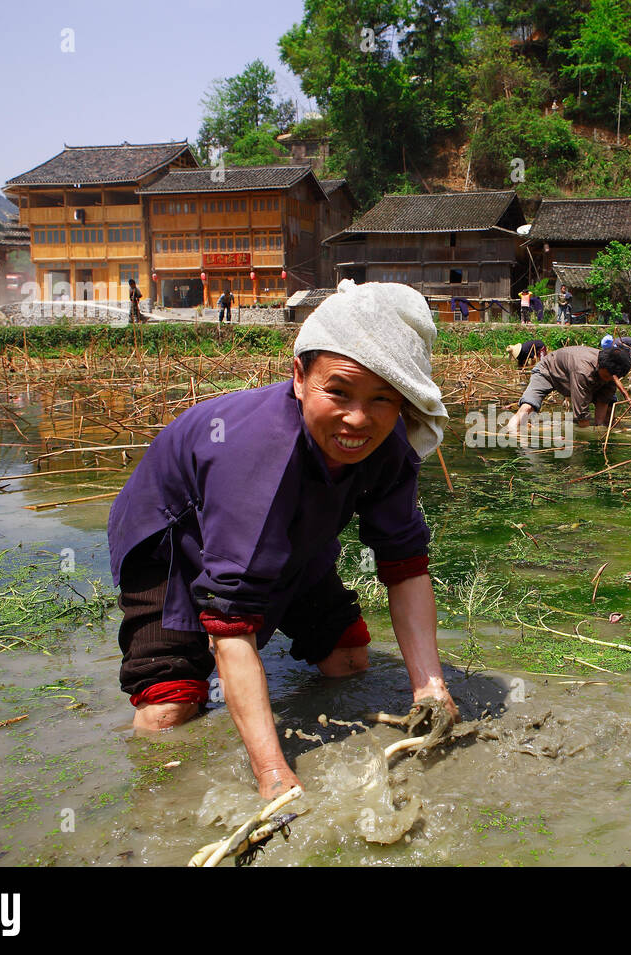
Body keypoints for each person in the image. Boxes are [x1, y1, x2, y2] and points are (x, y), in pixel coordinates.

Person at [107, 280, 458, 801]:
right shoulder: (255, 453)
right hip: (175, 541)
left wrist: (430, 688)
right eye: (337, 392)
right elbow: (230, 619)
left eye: (382, 399)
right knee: (169, 708)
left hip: (297, 534)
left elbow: (404, 565)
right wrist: (273, 773)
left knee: (347, 662)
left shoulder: (389, 447)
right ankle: (164, 805)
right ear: (299, 377)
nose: (357, 420)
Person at [505, 344, 631, 435]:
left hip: (574, 376)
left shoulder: (611, 375)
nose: (607, 380)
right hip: (547, 371)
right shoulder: (583, 371)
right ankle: (511, 429)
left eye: (611, 378)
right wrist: (587, 434)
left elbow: (604, 400)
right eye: (606, 376)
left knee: (609, 408)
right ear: (600, 366)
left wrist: (600, 428)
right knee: (529, 405)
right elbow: (581, 414)